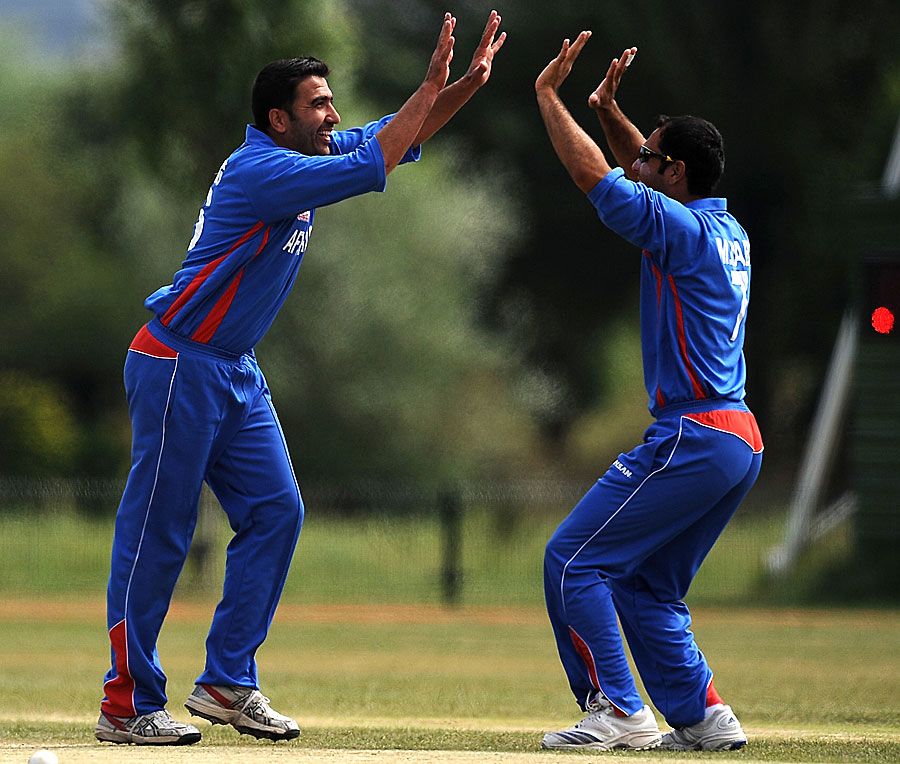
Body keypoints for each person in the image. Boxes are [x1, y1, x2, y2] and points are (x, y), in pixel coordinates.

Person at [94, 10, 507, 746]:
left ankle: (226, 684)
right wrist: (430, 83)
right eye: (320, 104)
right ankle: (126, 706)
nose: (333, 115)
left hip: (233, 369)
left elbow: (393, 138)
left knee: (277, 511)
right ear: (279, 117)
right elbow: (373, 158)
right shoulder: (263, 169)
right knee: (158, 532)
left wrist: (462, 87)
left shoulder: (302, 153)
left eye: (331, 103)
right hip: (177, 360)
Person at [534, 33, 762, 752]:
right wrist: (606, 106)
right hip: (739, 438)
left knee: (573, 560)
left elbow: (599, 178)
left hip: (694, 433)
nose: (642, 162)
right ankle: (704, 719)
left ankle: (619, 710)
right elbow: (645, 167)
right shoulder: (727, 231)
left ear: (677, 172)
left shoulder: (680, 232)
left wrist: (551, 97)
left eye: (654, 158)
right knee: (646, 589)